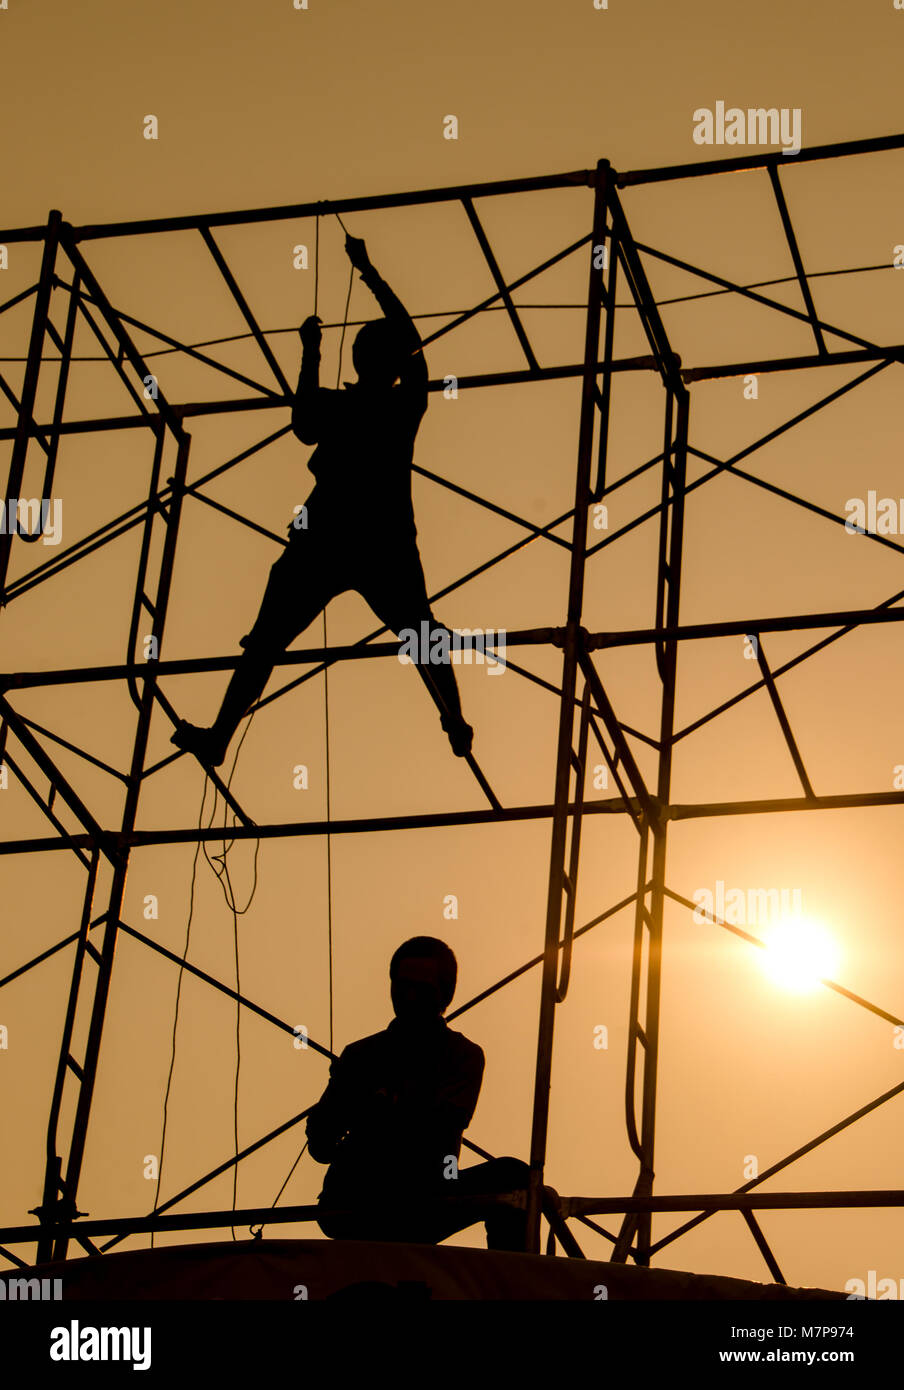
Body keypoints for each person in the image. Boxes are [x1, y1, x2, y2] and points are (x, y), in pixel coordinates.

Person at [171, 233, 473, 769]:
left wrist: (363, 284)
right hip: (360, 539)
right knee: (416, 630)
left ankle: (452, 715)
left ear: (365, 360)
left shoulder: (396, 405)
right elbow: (307, 423)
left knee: (274, 640)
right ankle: (452, 716)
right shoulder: (390, 405)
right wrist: (320, 342)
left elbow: (309, 420)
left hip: (345, 537)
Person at [305, 936, 554, 1251]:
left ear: (443, 995)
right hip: (354, 1204)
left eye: (421, 990)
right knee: (509, 1176)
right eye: (401, 986)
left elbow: (436, 1134)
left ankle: (510, 1287)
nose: (408, 997)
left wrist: (373, 1108)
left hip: (425, 1198)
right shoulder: (360, 1055)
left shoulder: (462, 1055)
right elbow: (321, 1145)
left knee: (514, 1177)